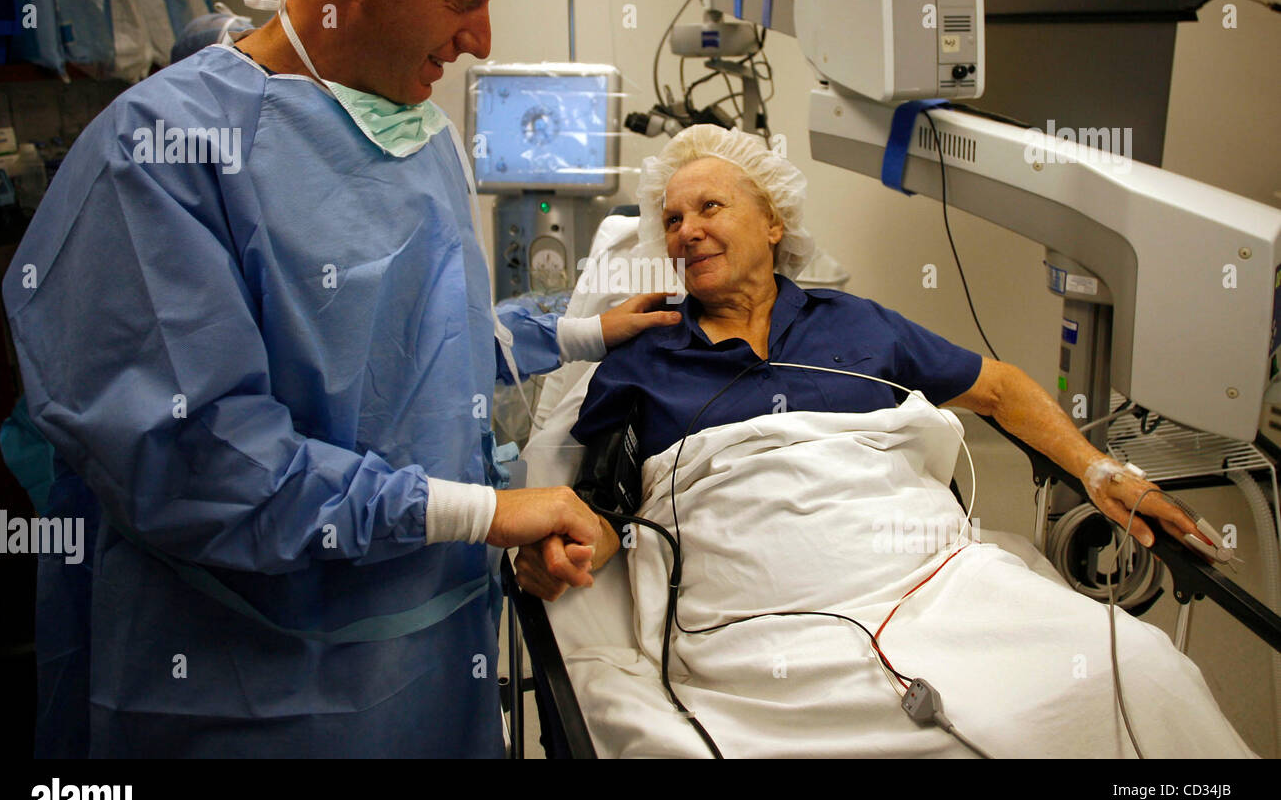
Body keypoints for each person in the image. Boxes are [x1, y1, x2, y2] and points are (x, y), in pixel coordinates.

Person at [2, 0, 678, 759]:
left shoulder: (415, 131)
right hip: (248, 683)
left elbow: (412, 359)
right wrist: (482, 513)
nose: (480, 39)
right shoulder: (162, 160)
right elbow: (203, 464)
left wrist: (572, 341)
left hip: (435, 656)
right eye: (461, 0)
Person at [513, 123, 1215, 599]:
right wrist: (576, 550)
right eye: (671, 219)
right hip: (751, 612)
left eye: (709, 207)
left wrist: (1098, 469)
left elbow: (998, 389)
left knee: (1137, 680)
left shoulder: (857, 325)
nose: (686, 230)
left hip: (916, 578)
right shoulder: (645, 354)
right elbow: (604, 502)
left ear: (773, 221)